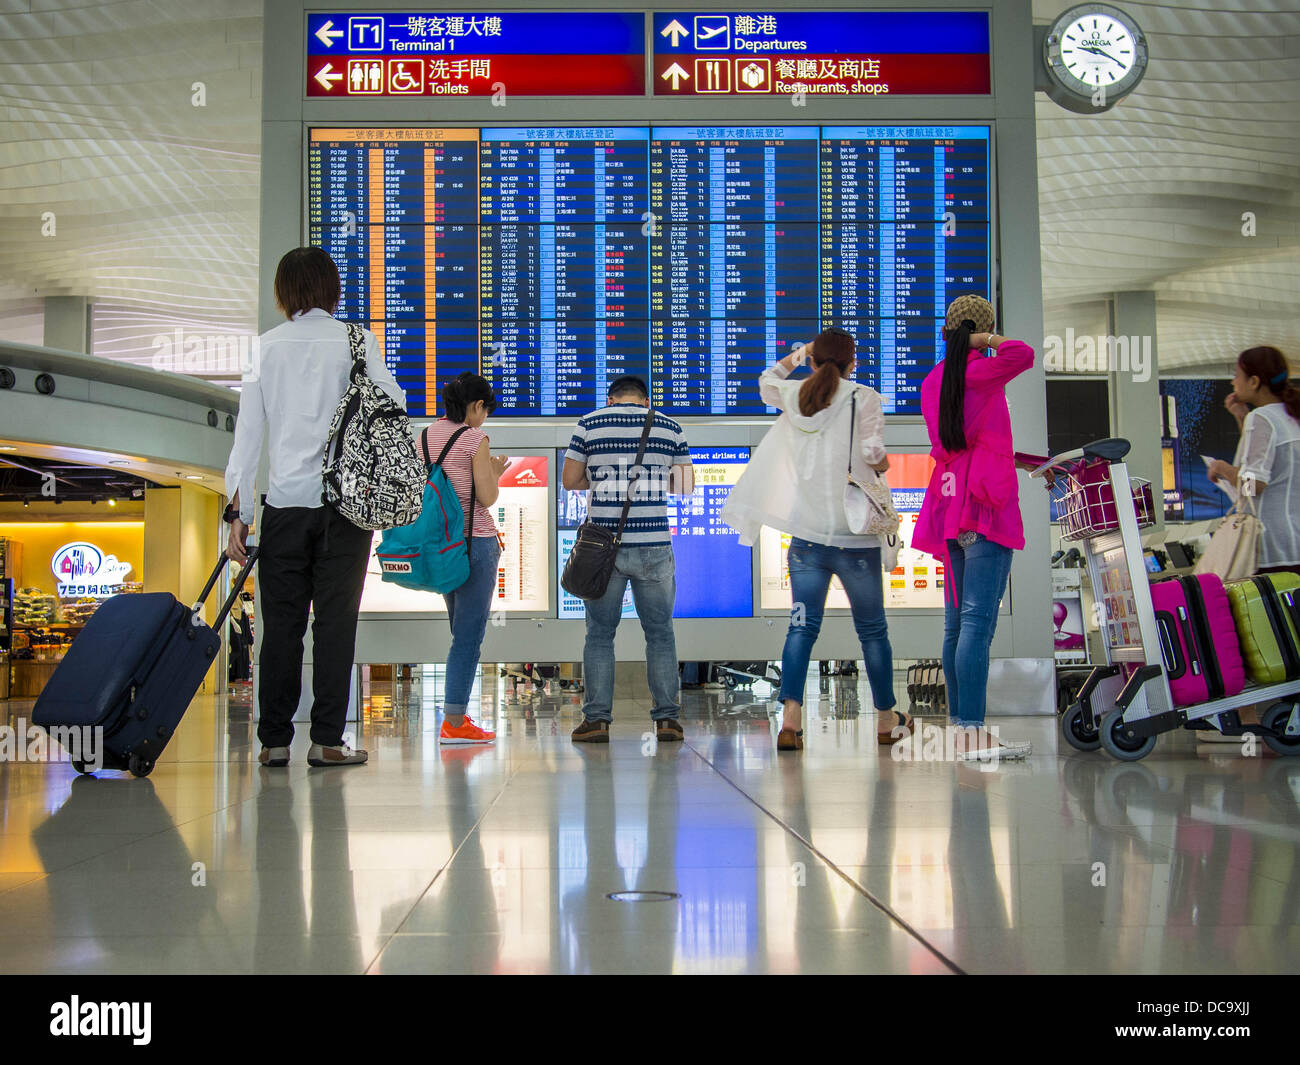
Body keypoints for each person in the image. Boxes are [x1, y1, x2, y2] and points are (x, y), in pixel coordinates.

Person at [225, 246, 406, 768]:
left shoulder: (264, 348)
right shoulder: (358, 340)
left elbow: (248, 438)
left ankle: (274, 741)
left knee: (280, 625)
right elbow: (393, 405)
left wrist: (239, 515)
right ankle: (327, 740)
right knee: (335, 622)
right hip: (347, 505)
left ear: (283, 293)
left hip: (284, 504)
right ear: (333, 290)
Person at [721, 327, 904, 752]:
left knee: (801, 629)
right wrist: (880, 463)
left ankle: (791, 722)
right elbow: (875, 455)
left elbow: (766, 381)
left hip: (806, 541)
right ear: (852, 362)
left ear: (816, 360)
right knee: (873, 632)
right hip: (854, 538)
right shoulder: (864, 397)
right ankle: (885, 719)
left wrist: (795, 356)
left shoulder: (796, 396)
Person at [913, 295, 1037, 761]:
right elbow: (1021, 354)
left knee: (955, 625)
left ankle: (958, 727)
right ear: (979, 333)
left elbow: (964, 441)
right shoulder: (979, 369)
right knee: (977, 623)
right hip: (985, 507)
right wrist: (987, 339)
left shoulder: (933, 379)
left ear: (945, 330)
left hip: (949, 505)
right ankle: (972, 731)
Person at [562, 376, 694, 743]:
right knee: (661, 634)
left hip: (603, 548)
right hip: (653, 545)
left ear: (611, 398)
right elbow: (685, 486)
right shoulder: (669, 426)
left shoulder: (589, 423)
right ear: (644, 399)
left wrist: (606, 481)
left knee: (600, 635)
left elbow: (570, 480)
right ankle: (667, 719)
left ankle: (597, 721)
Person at [422, 372, 508, 744]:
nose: (484, 418)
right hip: (475, 545)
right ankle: (454, 722)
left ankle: (456, 713)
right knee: (468, 637)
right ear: (476, 406)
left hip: (442, 546)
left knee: (461, 631)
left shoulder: (425, 435)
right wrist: (494, 473)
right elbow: (487, 498)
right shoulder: (475, 439)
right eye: (485, 410)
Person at [1208, 346, 1300, 576]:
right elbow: (1268, 460)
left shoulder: (1261, 418)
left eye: (1237, 375)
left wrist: (1222, 468)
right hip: (1294, 542)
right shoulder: (1290, 415)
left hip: (1268, 546)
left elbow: (1253, 485)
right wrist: (1241, 417)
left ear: (1254, 381)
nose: (1233, 382)